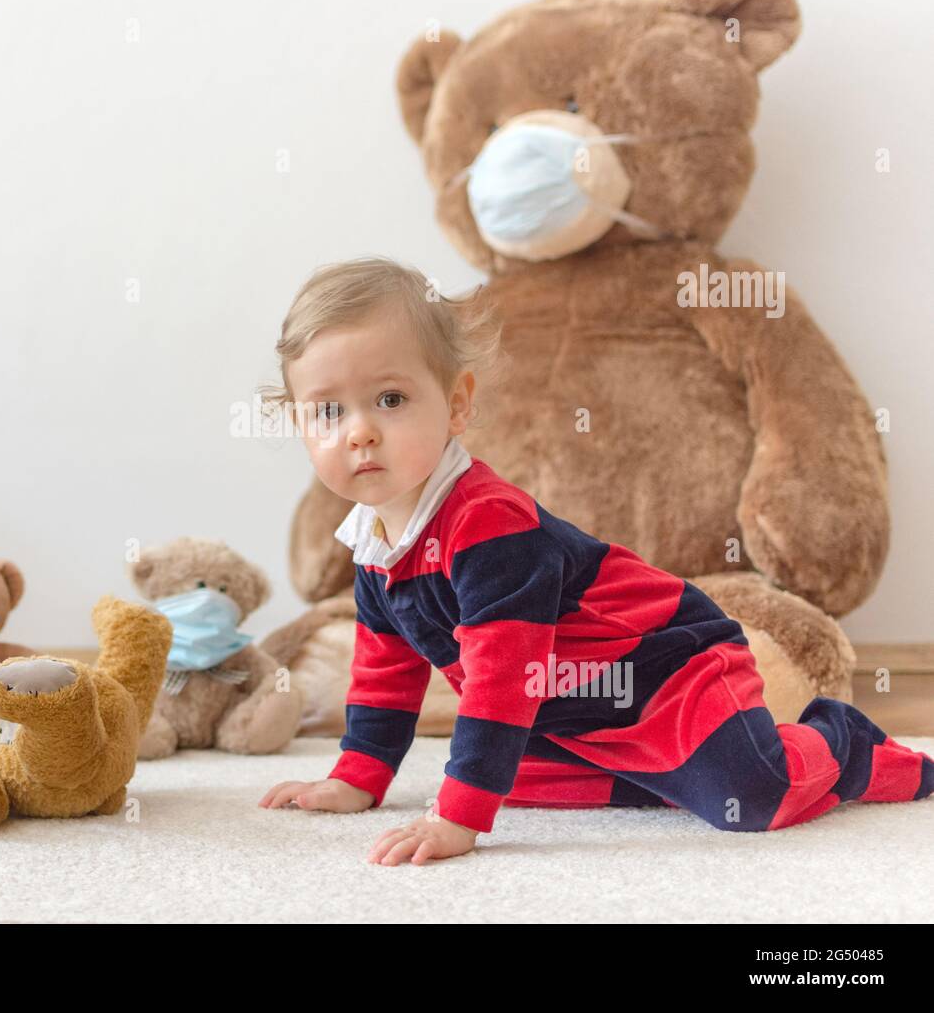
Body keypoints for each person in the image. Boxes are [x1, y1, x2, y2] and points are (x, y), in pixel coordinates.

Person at [256, 256, 934, 866]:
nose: (360, 430)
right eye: (327, 412)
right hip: (566, 710)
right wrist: (357, 777)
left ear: (457, 404)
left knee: (752, 796)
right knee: (509, 777)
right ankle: (660, 774)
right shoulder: (376, 548)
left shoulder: (486, 524)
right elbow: (384, 673)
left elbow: (503, 678)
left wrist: (460, 818)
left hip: (663, 668)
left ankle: (843, 743)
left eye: (391, 399)